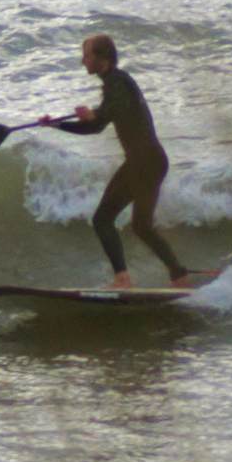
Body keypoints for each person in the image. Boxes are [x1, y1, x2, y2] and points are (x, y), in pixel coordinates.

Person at [41, 35, 191, 290]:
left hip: (144, 161)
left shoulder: (117, 82)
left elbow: (115, 108)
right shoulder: (115, 83)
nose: (82, 60)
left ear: (102, 58)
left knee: (102, 219)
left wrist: (96, 113)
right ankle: (180, 277)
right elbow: (96, 127)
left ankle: (122, 279)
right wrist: (58, 125)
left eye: (86, 55)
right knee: (142, 226)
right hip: (153, 161)